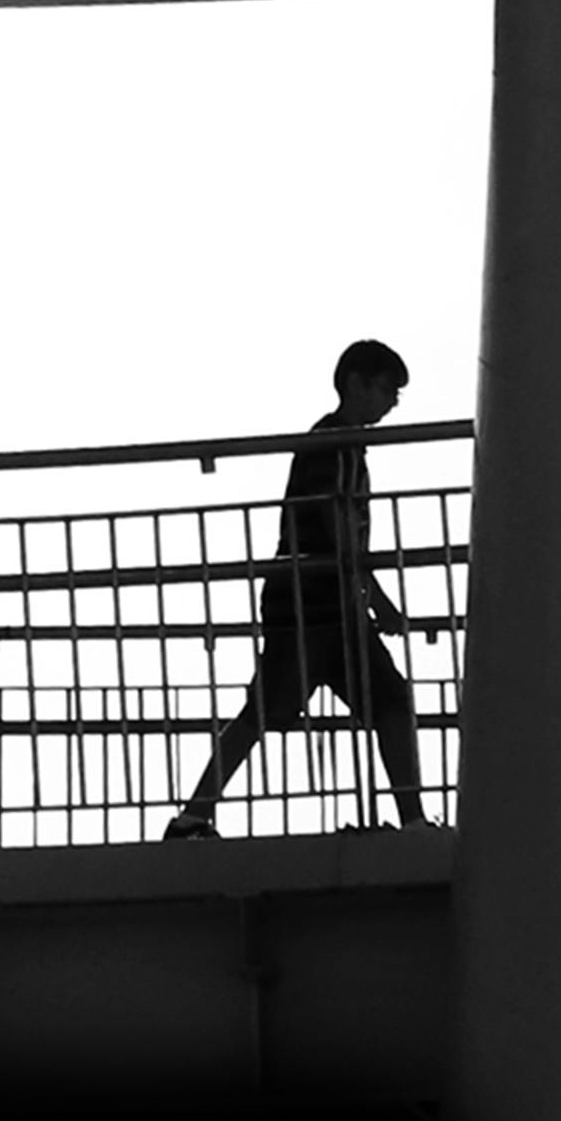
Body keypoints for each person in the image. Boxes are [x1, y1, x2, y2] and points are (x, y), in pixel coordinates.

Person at [164, 339, 426, 840]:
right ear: (356, 382)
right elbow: (334, 521)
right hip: (317, 601)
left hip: (314, 599)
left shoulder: (335, 442)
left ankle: (194, 814)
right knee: (366, 701)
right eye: (387, 389)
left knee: (284, 709)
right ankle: (411, 821)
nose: (392, 402)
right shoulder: (334, 442)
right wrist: (377, 595)